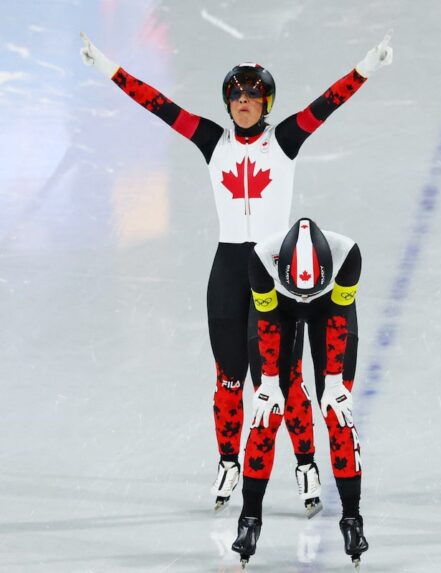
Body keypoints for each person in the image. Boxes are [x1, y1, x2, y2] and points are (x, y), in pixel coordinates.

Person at [79, 32, 393, 511]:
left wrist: (365, 68)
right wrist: (110, 68)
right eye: (236, 94)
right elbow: (159, 106)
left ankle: (305, 462)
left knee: (285, 381)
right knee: (230, 378)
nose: (243, 101)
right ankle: (229, 458)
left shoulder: (284, 140)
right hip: (229, 272)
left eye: (252, 94)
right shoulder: (211, 140)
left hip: (273, 271)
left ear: (266, 102)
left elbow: (327, 104)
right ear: (227, 101)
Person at [231, 217, 366, 568]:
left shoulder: (347, 255)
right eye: (299, 288)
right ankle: (249, 519)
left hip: (330, 312)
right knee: (266, 414)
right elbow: (266, 324)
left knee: (338, 415)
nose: (304, 295)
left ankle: (352, 518)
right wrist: (270, 384)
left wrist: (334, 382)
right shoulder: (262, 259)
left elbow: (338, 318)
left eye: (310, 288)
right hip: (278, 313)